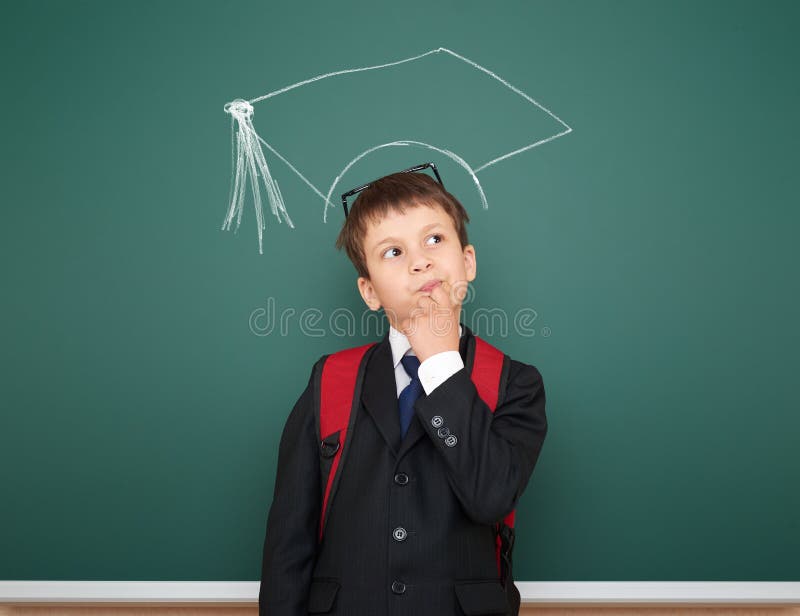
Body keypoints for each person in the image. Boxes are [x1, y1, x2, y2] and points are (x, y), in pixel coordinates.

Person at [258, 168, 548, 615]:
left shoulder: (516, 384)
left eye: (434, 240)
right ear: (370, 291)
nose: (420, 261)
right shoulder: (329, 380)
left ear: (467, 262)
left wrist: (439, 363)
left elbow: (490, 496)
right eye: (393, 251)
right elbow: (287, 546)